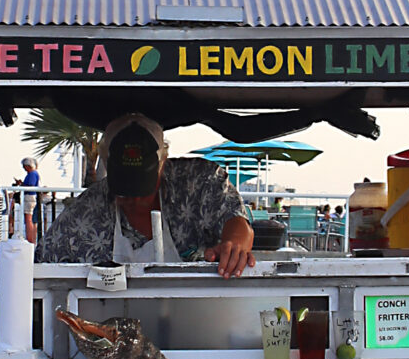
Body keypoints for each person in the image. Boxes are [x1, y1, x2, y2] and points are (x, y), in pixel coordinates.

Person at [40, 115, 254, 278]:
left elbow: (237, 221)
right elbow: (43, 267)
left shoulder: (200, 182)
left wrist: (234, 245)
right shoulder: (83, 214)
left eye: (143, 188)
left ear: (163, 163)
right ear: (106, 164)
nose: (134, 199)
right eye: (124, 190)